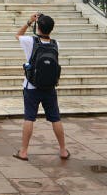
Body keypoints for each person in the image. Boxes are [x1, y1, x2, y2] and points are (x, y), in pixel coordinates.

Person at [13, 13, 69, 161]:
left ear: (38, 27)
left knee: (29, 118)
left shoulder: (30, 41)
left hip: (31, 86)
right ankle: (63, 150)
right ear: (51, 29)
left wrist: (29, 22)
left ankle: (23, 151)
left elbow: (17, 35)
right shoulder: (56, 44)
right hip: (50, 87)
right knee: (55, 119)